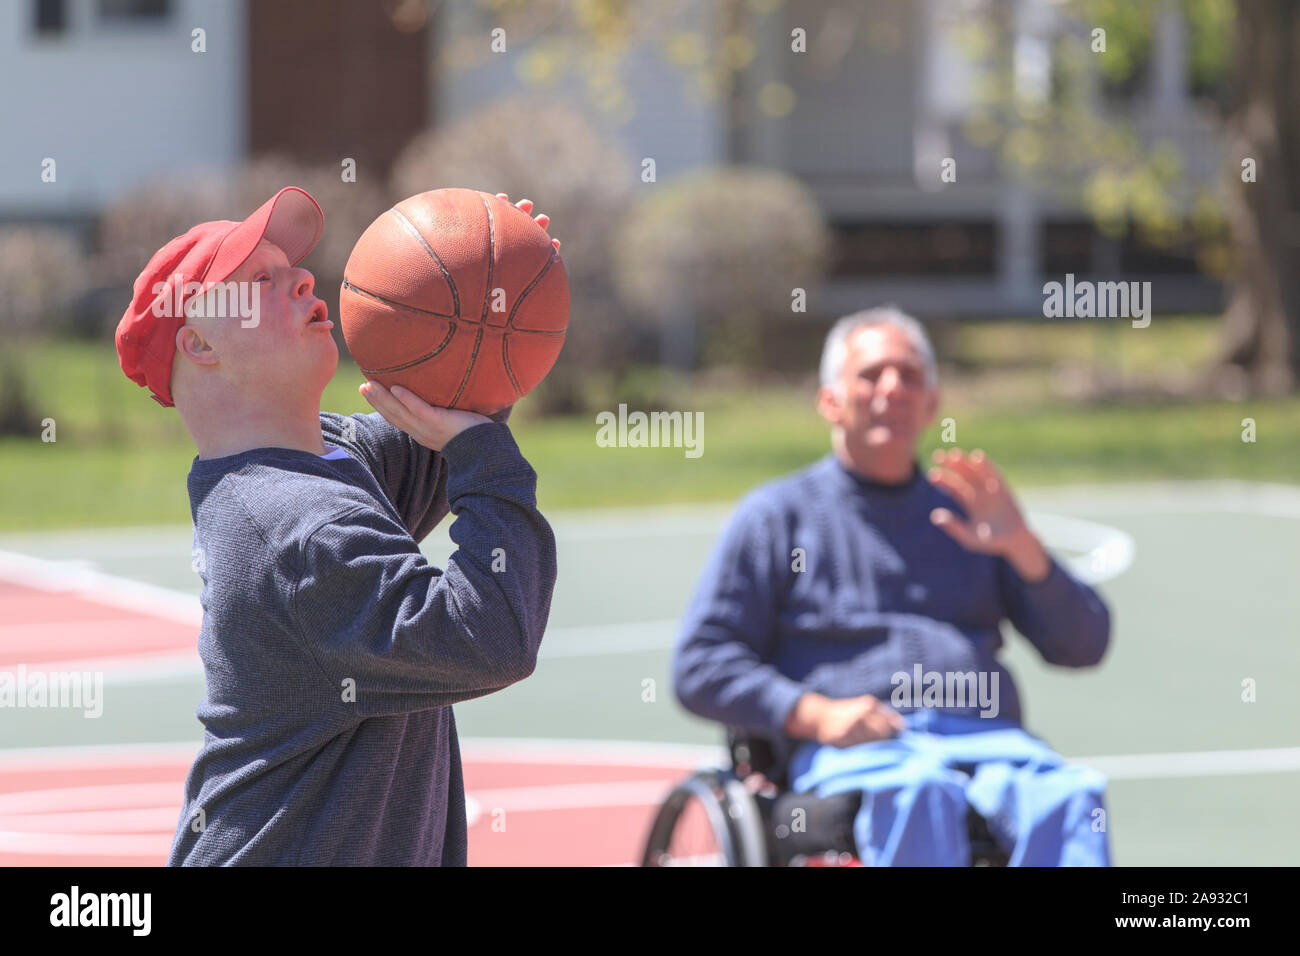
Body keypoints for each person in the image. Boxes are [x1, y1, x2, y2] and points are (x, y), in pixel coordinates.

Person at [114, 186, 559, 865]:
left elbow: (454, 409)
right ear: (200, 344)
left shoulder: (322, 458)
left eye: (292, 268)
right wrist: (485, 461)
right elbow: (488, 637)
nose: (301, 278)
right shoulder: (295, 530)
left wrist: (501, 279)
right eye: (261, 279)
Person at [672, 306, 1112, 866]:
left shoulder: (970, 517)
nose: (893, 389)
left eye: (910, 377)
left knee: (1073, 796)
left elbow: (1085, 644)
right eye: (871, 374)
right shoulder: (776, 517)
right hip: (861, 751)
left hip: (987, 743)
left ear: (932, 403)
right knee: (918, 791)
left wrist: (1024, 549)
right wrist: (815, 714)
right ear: (830, 400)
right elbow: (701, 664)